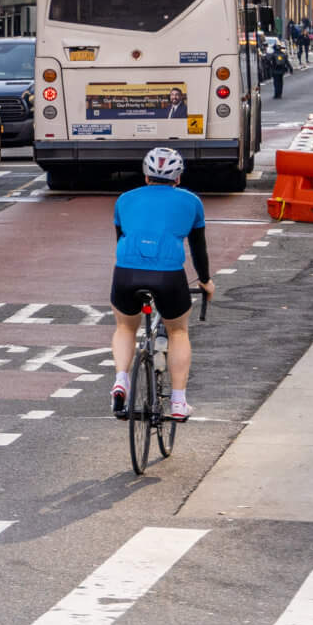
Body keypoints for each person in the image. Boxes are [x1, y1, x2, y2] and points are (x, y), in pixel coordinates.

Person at [109, 146, 212, 422]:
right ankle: (178, 402)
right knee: (178, 332)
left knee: (124, 326)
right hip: (168, 275)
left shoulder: (124, 200)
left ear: (145, 176)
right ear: (178, 178)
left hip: (126, 272)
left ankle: (121, 380)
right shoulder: (191, 202)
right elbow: (198, 249)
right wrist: (205, 281)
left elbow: (121, 236)